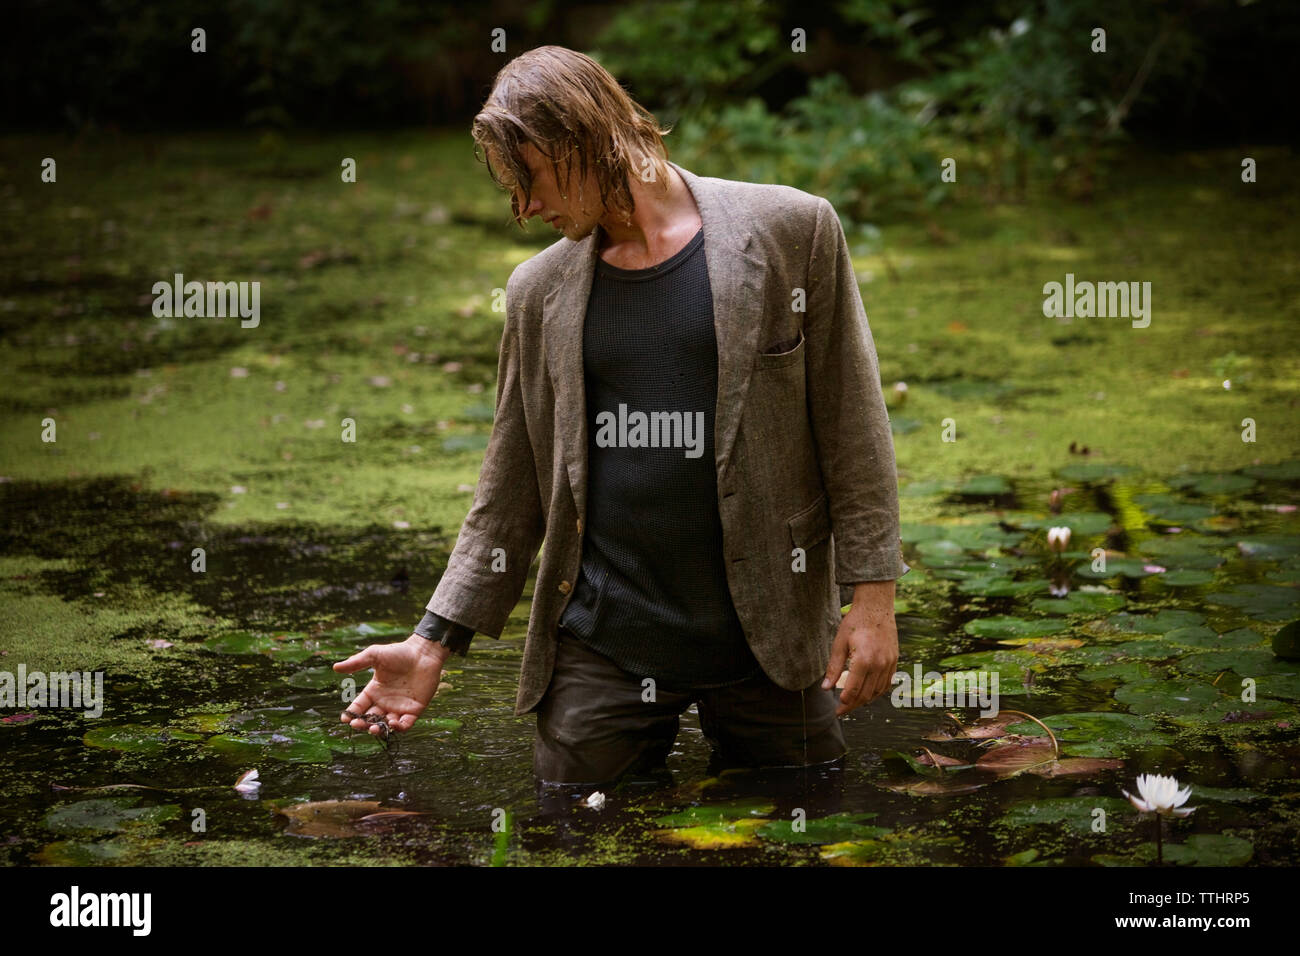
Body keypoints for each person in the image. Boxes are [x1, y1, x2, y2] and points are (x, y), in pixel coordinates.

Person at [334, 45, 909, 795]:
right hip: (603, 640)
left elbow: (854, 429)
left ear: (584, 141)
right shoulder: (538, 292)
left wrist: (872, 601)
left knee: (800, 814)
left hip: (770, 630)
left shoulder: (792, 231)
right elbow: (510, 487)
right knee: (573, 824)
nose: (525, 209)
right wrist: (434, 638)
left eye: (529, 179)